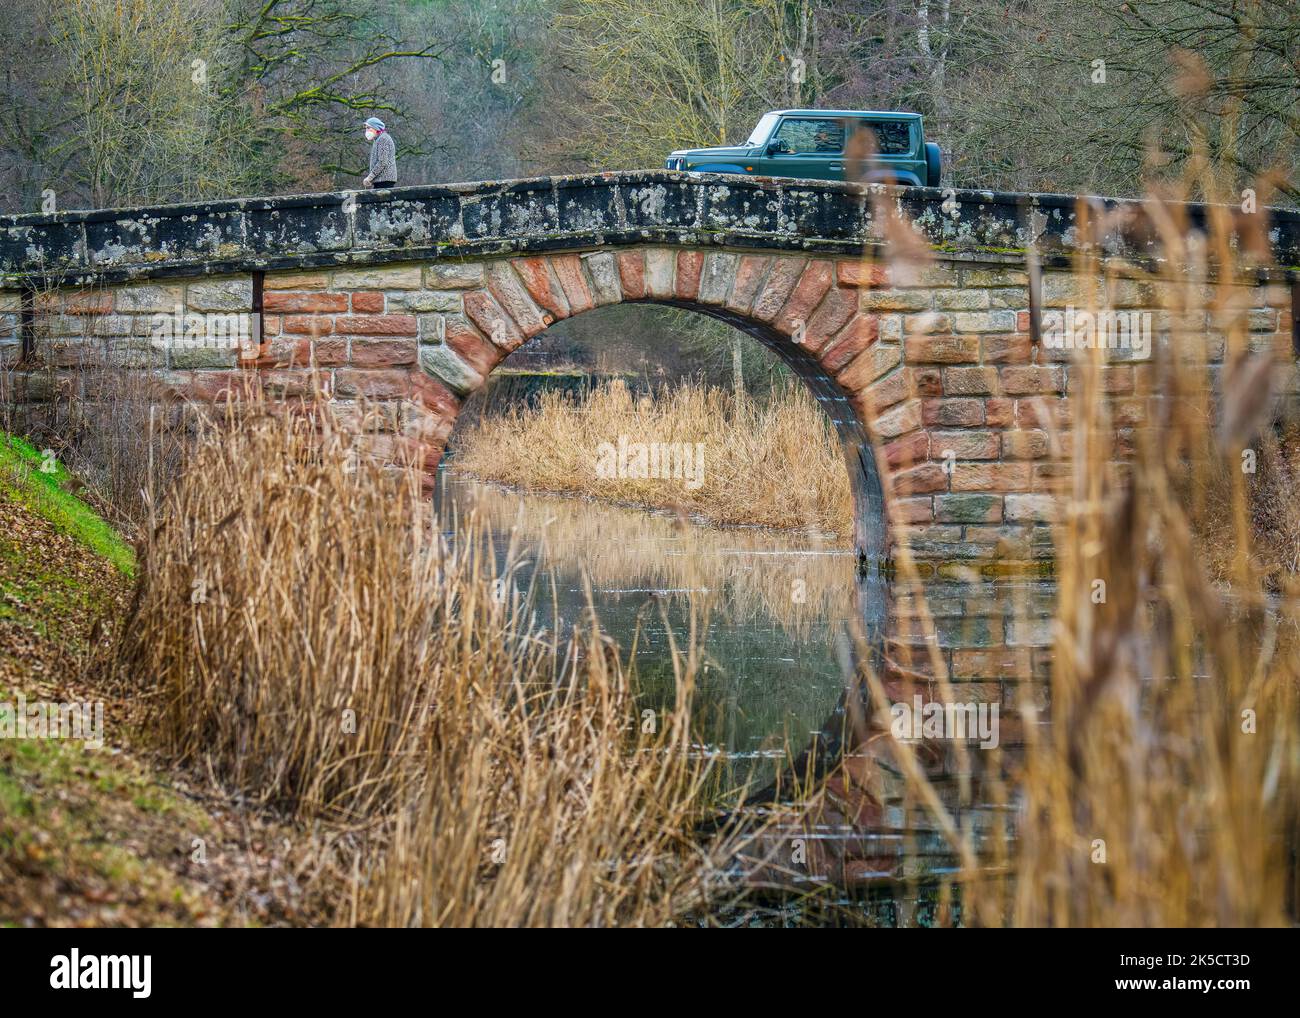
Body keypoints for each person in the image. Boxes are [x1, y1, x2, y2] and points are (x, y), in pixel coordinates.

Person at [362, 117, 397, 189]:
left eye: (368, 128)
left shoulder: (383, 139)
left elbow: (382, 162)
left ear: (376, 128)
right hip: (381, 180)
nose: (366, 131)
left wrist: (370, 177)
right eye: (366, 128)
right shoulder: (378, 139)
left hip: (384, 181)